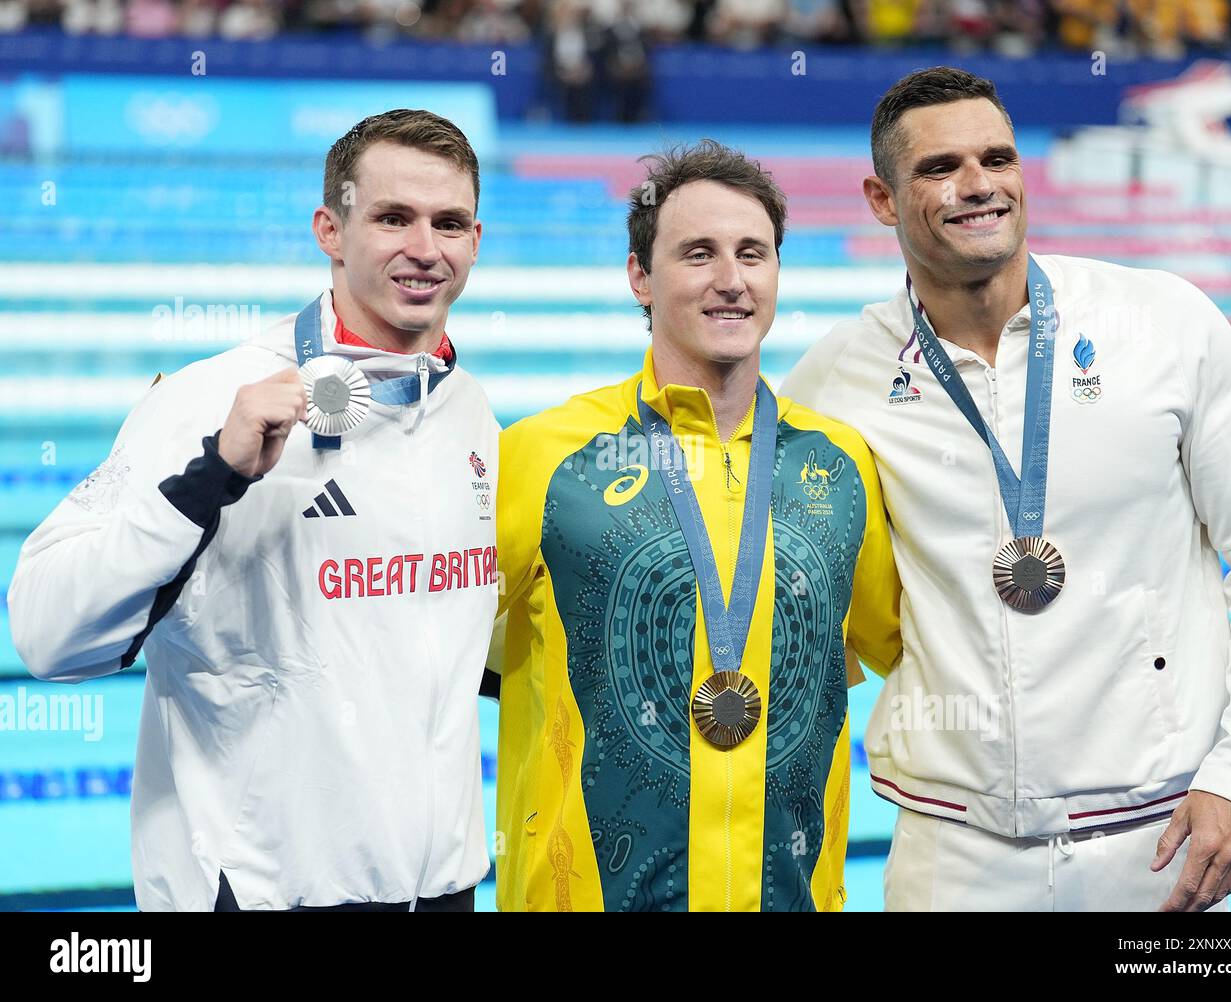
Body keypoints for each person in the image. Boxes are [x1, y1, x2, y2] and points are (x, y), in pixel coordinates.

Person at [781, 66, 1231, 911]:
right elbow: (788, 601)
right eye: (940, 168)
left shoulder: (1164, 325)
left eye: (998, 158)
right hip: (950, 855)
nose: (979, 185)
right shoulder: (837, 378)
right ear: (881, 199)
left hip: (1162, 842)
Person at [9, 109, 499, 912]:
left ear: (475, 240)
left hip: (440, 888)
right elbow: (45, 630)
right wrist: (212, 477)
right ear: (330, 231)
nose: (424, 247)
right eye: (392, 218)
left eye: (448, 223)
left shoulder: (467, 411)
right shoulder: (211, 398)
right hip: (263, 892)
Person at [488, 140, 901, 912]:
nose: (731, 281)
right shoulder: (544, 457)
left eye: (753, 253)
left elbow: (904, 643)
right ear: (640, 276)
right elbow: (432, 648)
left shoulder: (840, 463)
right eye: (698, 254)